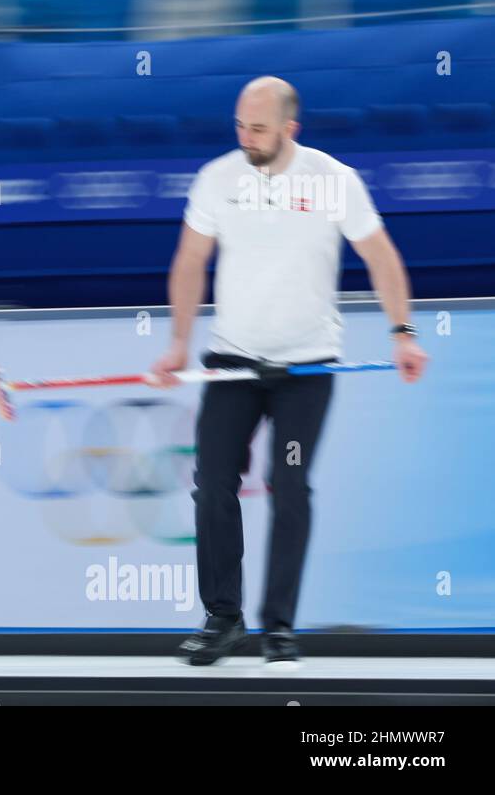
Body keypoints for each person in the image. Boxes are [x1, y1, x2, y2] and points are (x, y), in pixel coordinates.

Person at [149, 76, 428, 668]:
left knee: (289, 484)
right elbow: (191, 260)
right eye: (240, 127)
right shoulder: (217, 179)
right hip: (232, 364)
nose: (247, 138)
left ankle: (279, 627)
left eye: (259, 129)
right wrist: (177, 344)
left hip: (305, 367)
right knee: (214, 483)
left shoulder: (333, 181)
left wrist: (402, 333)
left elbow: (381, 256)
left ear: (289, 130)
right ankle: (223, 618)